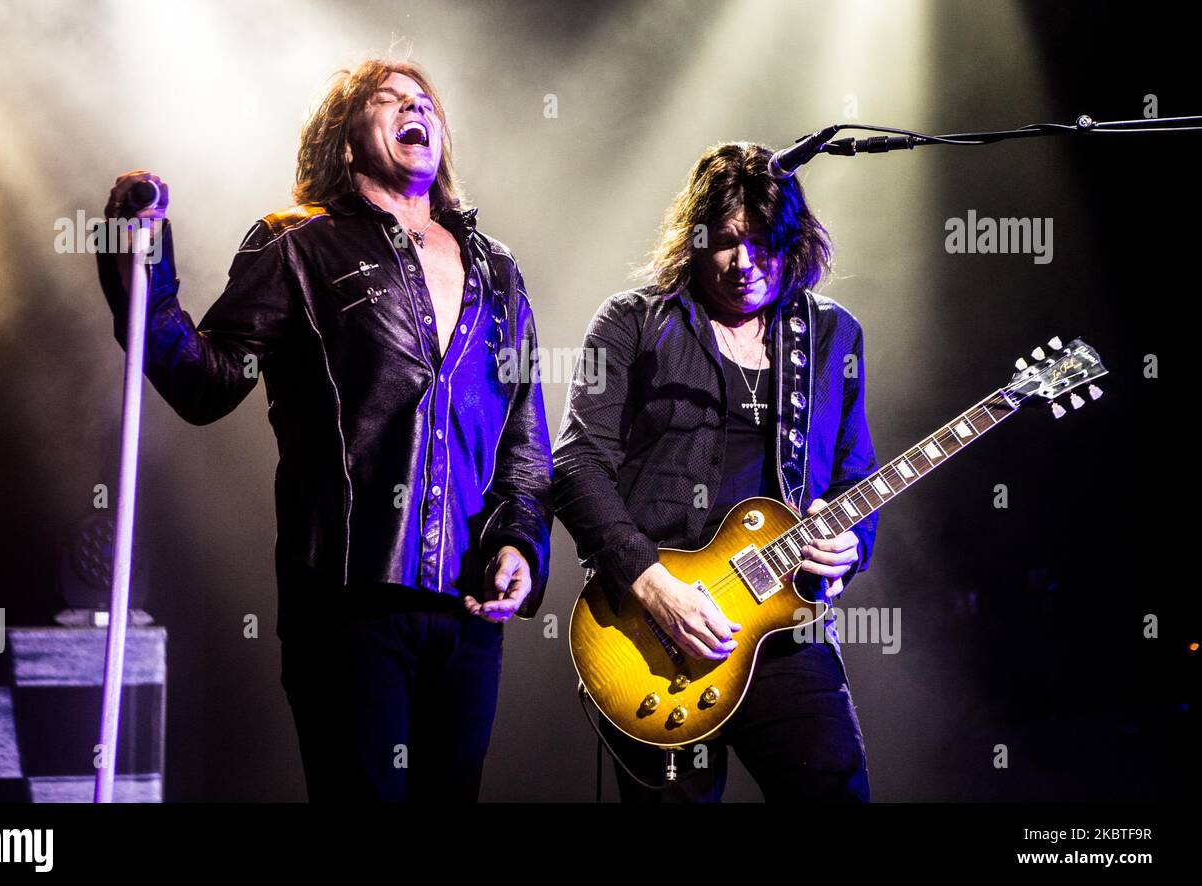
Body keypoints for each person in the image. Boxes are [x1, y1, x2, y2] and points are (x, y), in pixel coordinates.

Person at [95, 59, 553, 802]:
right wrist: (144, 266)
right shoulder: (298, 248)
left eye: (425, 101)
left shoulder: (497, 270)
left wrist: (518, 544)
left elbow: (523, 441)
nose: (415, 108)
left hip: (469, 615)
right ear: (345, 141)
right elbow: (204, 382)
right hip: (346, 603)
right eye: (389, 98)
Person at [552, 141, 877, 801]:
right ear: (694, 241)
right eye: (725, 242)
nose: (744, 263)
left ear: (793, 243)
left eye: (762, 243)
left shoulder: (833, 335)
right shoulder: (632, 323)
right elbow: (576, 462)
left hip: (785, 630)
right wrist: (650, 584)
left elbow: (854, 478)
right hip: (652, 631)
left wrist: (850, 543)